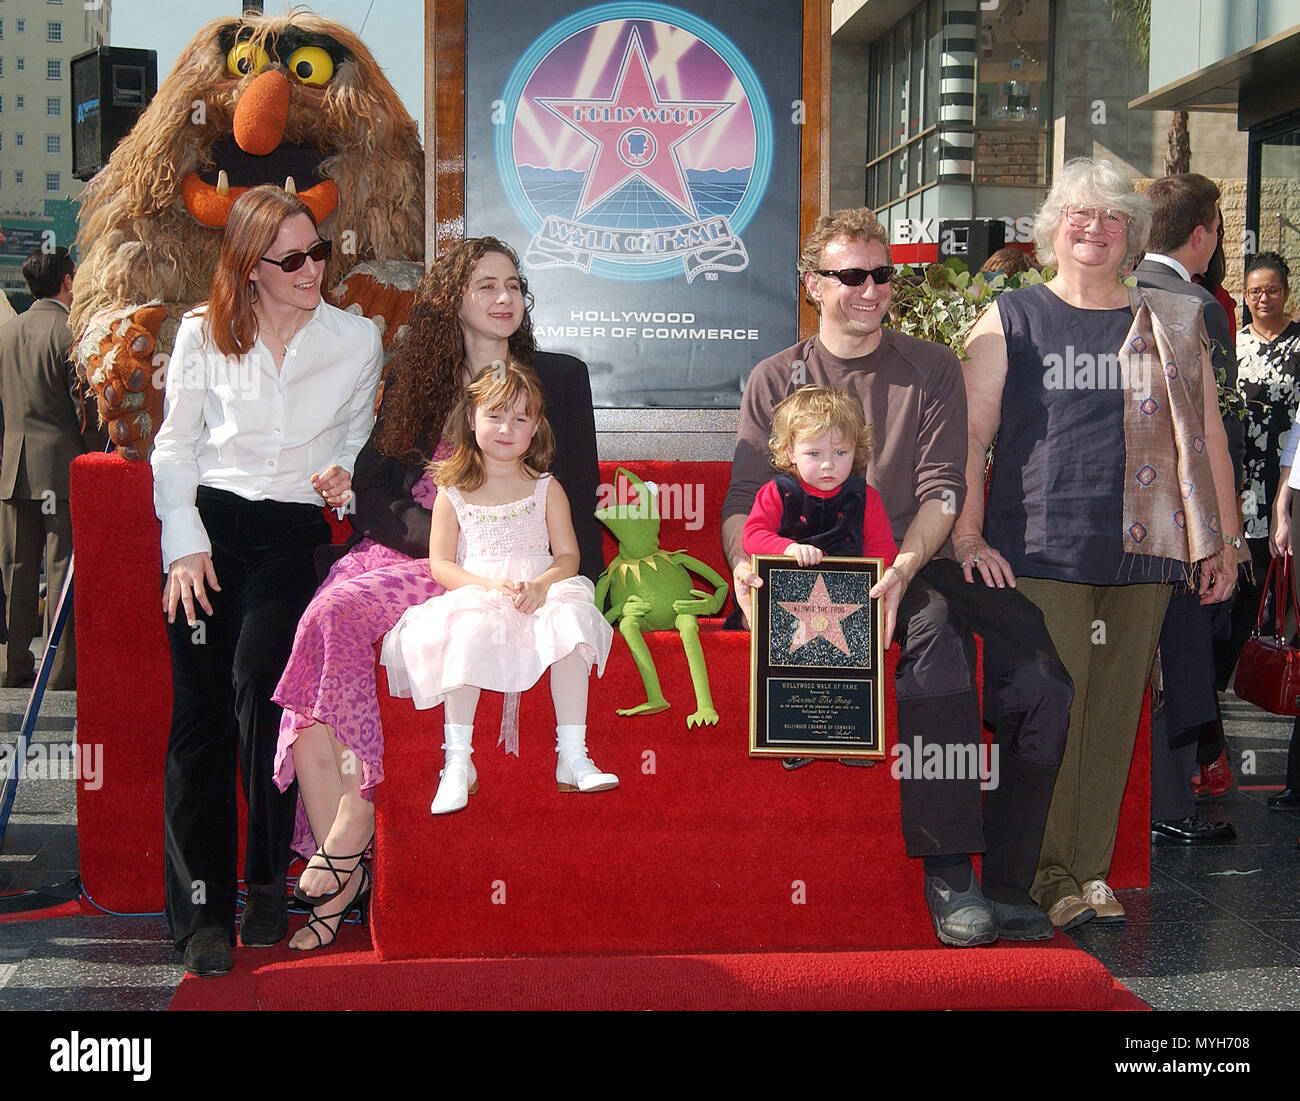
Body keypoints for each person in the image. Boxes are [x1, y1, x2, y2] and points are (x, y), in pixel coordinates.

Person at [723, 208, 1073, 948]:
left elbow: (945, 485)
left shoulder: (933, 367)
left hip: (918, 555)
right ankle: (950, 869)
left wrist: (908, 563)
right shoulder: (773, 377)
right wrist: (747, 568)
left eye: (883, 274)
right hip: (814, 568)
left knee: (1044, 677)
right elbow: (739, 502)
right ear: (814, 283)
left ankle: (1008, 879)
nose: (871, 289)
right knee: (938, 647)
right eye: (852, 275)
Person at [270, 236, 601, 951]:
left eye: (513, 285)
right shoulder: (420, 378)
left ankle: (348, 844)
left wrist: (571, 585)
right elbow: (373, 489)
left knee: (338, 615)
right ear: (454, 299)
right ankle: (347, 858)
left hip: (506, 561)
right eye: (485, 285)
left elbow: (579, 496)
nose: (504, 298)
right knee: (323, 622)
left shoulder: (560, 381)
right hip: (423, 550)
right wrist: (438, 539)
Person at [959, 157, 1241, 930]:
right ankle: (1048, 874)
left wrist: (1221, 543)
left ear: (1133, 234)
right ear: (1054, 228)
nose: (1095, 228)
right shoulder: (1009, 317)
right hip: (1040, 549)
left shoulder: (1173, 322)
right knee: (1057, 716)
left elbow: (1209, 435)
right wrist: (968, 531)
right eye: (1080, 214)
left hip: (1145, 549)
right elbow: (971, 437)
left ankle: (1089, 870)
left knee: (1116, 717)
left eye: (1112, 217)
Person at [151, 186, 384, 977]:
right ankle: (203, 910)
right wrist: (182, 542)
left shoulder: (357, 341)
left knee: (263, 683)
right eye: (291, 258)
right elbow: (175, 446)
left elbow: (357, 443)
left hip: (291, 533)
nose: (312, 269)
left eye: (318, 252)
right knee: (201, 712)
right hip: (209, 530)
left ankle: (263, 881)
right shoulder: (201, 334)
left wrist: (343, 476)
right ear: (250, 267)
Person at [381, 362, 615, 819]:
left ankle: (573, 754)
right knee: (463, 628)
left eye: (521, 418)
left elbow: (568, 556)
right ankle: (457, 761)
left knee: (571, 624)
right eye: (495, 415)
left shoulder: (546, 488)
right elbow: (442, 564)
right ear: (472, 419)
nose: (507, 428)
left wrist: (543, 585)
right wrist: (487, 585)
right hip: (479, 588)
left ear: (536, 429)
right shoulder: (452, 490)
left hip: (540, 590)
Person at [1133, 175, 1242, 845]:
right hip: (1183, 518)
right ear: (1200, 235)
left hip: (1123, 512)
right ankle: (1170, 801)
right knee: (1185, 652)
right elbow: (1213, 428)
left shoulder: (1119, 289)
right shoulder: (1197, 304)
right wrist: (1227, 533)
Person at [0, 247, 106, 689]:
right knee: (61, 569)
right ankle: (60, 670)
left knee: (16, 570)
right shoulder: (70, 334)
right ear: (67, 282)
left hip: (12, 468)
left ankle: (10, 664)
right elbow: (84, 409)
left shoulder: (8, 332)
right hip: (61, 471)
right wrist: (99, 453)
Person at [1249, 252, 1300, 812]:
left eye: (1273, 290)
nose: (1264, 298)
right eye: (1255, 290)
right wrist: (1283, 505)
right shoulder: (1236, 343)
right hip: (1262, 486)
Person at [741, 385, 898, 568]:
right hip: (785, 587)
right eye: (814, 454)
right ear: (791, 452)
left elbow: (882, 548)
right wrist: (788, 549)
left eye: (840, 453)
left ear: (855, 451)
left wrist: (871, 583)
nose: (828, 465)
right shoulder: (778, 492)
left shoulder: (865, 496)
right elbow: (753, 535)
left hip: (847, 589)